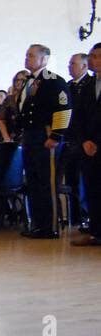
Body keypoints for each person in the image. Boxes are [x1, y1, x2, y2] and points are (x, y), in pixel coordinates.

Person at [18, 43, 71, 239]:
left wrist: (56, 135)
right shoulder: (28, 81)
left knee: (46, 183)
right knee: (33, 180)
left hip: (45, 135)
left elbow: (64, 109)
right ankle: (38, 224)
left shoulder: (54, 81)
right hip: (30, 136)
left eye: (31, 56)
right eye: (26, 55)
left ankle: (50, 226)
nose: (27, 59)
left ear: (44, 59)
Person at [70, 43, 101, 247]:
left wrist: (97, 141)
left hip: (99, 143)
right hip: (88, 145)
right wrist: (84, 141)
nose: (92, 60)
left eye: (97, 56)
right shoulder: (88, 85)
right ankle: (96, 232)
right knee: (92, 188)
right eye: (91, 56)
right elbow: (78, 116)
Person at [64, 52, 92, 227]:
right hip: (70, 139)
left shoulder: (88, 85)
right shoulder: (69, 86)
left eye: (73, 64)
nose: (69, 66)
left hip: (83, 139)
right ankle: (74, 216)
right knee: (71, 179)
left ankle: (86, 215)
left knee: (84, 180)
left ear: (84, 66)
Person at [0, 70, 30, 142]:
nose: (19, 82)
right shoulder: (9, 99)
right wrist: (6, 137)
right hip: (11, 135)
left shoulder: (33, 98)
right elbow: (1, 119)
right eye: (17, 80)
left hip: (28, 136)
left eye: (22, 80)